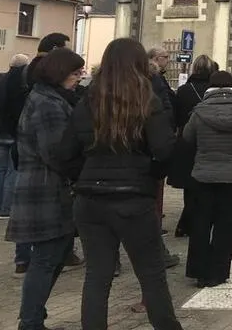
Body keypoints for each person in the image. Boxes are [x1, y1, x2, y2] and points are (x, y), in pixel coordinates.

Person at [57, 37, 183, 330]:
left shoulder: (88, 101)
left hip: (90, 198)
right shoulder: (147, 99)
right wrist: (150, 173)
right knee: (151, 275)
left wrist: (86, 174)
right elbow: (165, 150)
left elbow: (64, 154)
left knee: (97, 276)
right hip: (133, 198)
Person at [7, 47, 84, 330]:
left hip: (46, 187)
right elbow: (56, 152)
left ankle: (33, 318)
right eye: (75, 73)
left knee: (54, 256)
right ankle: (30, 321)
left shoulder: (48, 97)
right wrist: (80, 170)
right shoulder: (49, 103)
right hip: (45, 189)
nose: (79, 77)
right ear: (60, 73)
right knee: (45, 259)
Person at [183, 70, 232, 288]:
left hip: (202, 174)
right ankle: (219, 272)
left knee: (201, 223)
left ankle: (199, 270)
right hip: (231, 176)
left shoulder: (199, 111)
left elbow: (187, 137)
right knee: (225, 225)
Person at [170, 55, 213, 237]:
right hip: (207, 140)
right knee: (205, 186)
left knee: (189, 185)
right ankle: (193, 221)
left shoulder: (183, 90)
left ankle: (186, 222)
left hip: (187, 141)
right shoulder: (213, 91)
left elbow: (176, 118)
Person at [0, 53, 29, 222]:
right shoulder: (20, 83)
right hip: (14, 131)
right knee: (11, 171)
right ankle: (6, 210)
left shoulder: (0, 80)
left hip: (0, 131)